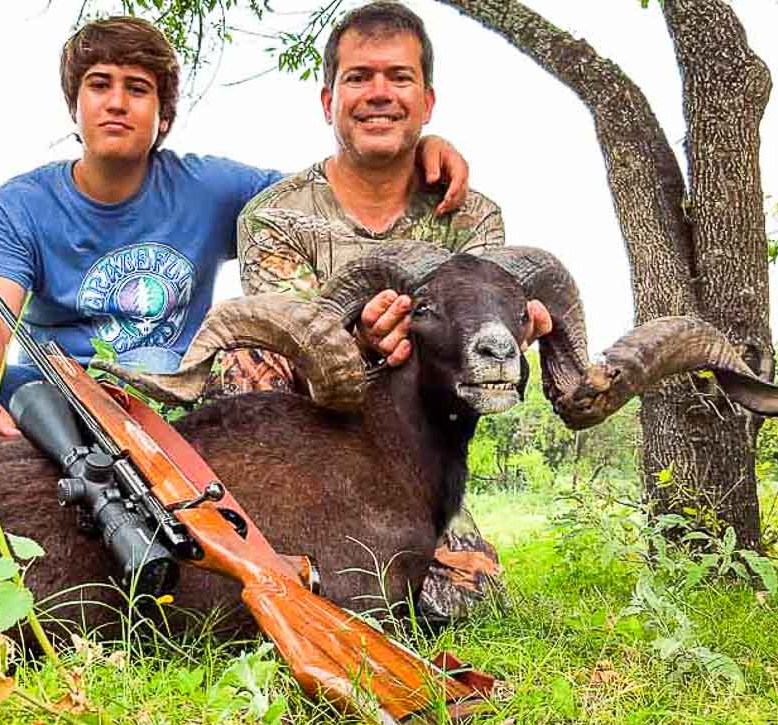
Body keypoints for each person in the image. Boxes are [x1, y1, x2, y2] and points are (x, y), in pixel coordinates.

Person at [0, 15, 471, 450]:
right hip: (57, 391)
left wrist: (410, 150)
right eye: (99, 85)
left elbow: (326, 194)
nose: (116, 102)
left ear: (164, 113)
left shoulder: (210, 187)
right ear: (75, 104)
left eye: (137, 88)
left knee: (233, 386)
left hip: (175, 390)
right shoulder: (20, 206)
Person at [222, 1, 553, 621]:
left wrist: (511, 337)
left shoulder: (473, 216)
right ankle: (258, 535)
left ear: (427, 103)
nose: (379, 93)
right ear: (329, 101)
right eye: (359, 77)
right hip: (309, 451)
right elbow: (290, 353)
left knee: (467, 604)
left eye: (399, 78)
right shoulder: (276, 216)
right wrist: (360, 345)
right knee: (248, 343)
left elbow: (473, 372)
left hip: (412, 456)